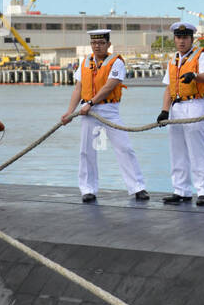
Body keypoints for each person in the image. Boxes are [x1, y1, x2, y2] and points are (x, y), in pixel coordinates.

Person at [61, 28, 149, 203]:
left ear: (108, 44)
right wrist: (70, 112)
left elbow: (110, 85)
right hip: (88, 111)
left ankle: (137, 187)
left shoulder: (116, 62)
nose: (97, 46)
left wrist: (91, 103)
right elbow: (78, 88)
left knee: (124, 147)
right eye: (94, 43)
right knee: (87, 151)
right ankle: (88, 189)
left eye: (101, 43)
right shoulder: (85, 62)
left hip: (108, 109)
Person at [157, 20, 204, 206]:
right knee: (177, 151)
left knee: (198, 151)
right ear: (175, 39)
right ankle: (181, 190)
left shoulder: (201, 56)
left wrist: (194, 76)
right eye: (179, 38)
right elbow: (168, 88)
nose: (181, 41)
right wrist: (164, 111)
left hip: (194, 104)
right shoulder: (173, 59)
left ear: (192, 39)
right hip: (176, 107)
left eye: (185, 38)